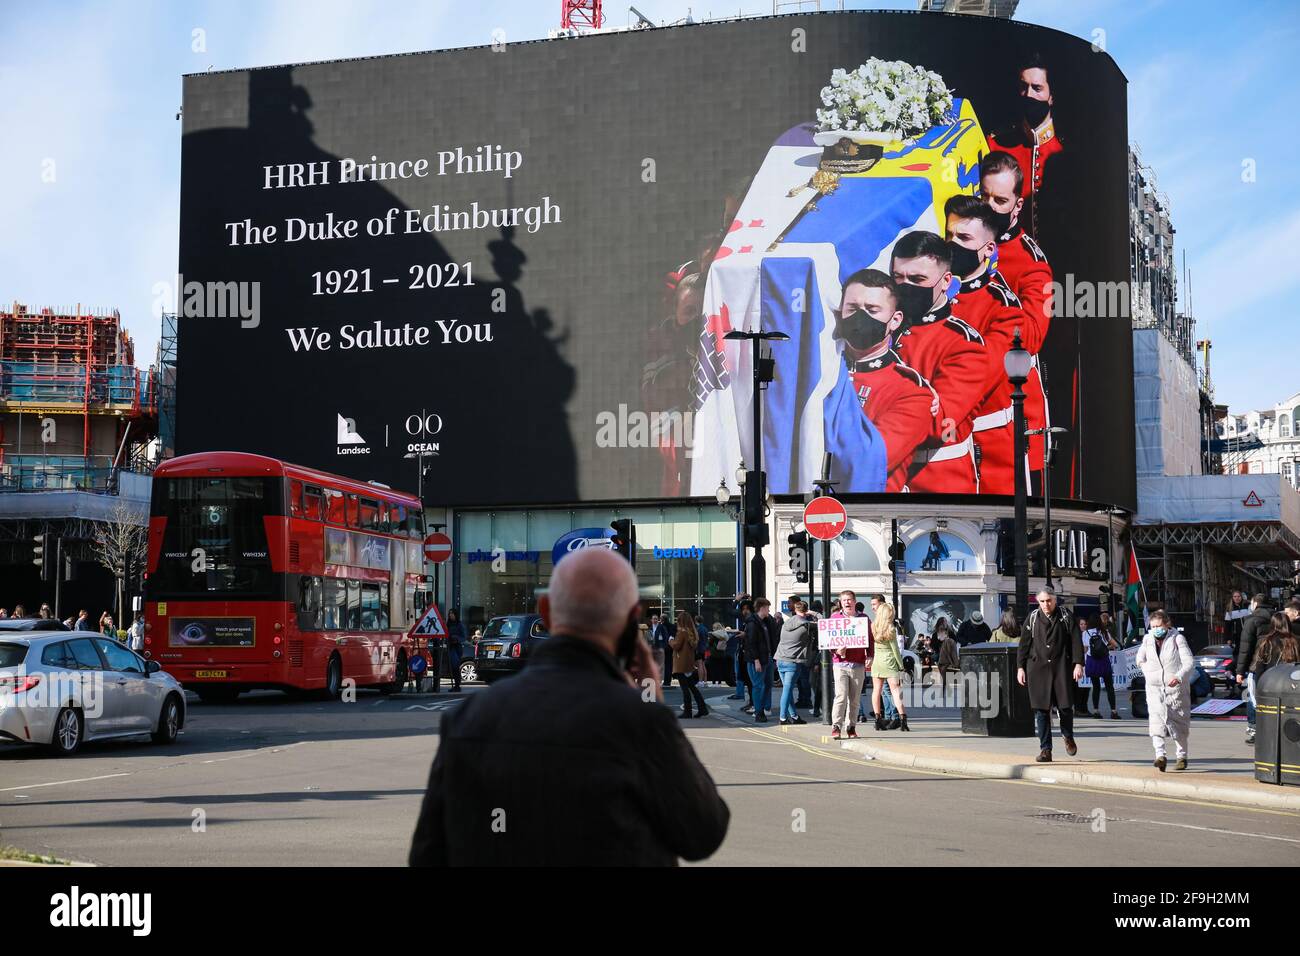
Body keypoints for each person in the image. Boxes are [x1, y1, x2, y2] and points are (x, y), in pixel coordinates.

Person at [408, 546, 729, 866]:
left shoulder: (465, 719)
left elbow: (427, 855)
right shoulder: (641, 722)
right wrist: (652, 709)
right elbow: (702, 833)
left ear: (545, 611)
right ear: (632, 618)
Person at [890, 231, 988, 495]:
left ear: (945, 281)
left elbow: (940, 426)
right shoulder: (888, 325)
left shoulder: (964, 343)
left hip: (936, 481)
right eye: (898, 278)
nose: (905, 286)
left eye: (917, 279)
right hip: (885, 479)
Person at [943, 194, 1027, 495]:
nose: (953, 244)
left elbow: (982, 375)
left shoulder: (1002, 305)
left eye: (964, 238)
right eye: (949, 235)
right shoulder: (935, 295)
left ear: (988, 249)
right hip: (943, 452)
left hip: (989, 446)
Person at [979, 149, 1053, 481]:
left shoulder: (1032, 263)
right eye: (984, 196)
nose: (989, 207)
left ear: (1017, 205)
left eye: (1000, 200)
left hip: (1012, 407)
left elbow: (1033, 336)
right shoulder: (962, 239)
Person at [836, 269, 938, 491]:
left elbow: (866, 462)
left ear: (895, 320)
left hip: (871, 505)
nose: (860, 318)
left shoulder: (912, 392)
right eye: (852, 308)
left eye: (872, 310)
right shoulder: (825, 369)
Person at [988, 52, 1065, 241]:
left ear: (1051, 96)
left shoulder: (1064, 152)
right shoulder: (995, 145)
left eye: (1037, 88)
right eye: (1024, 87)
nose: (1029, 95)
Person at [1017, 587, 1083, 762]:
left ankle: (1068, 736)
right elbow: (1024, 645)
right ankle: (1045, 749)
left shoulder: (1066, 616)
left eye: (1049, 601)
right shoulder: (1032, 618)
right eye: (1042, 601)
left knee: (1065, 707)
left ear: (1055, 600)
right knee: (1041, 710)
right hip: (1038, 669)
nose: (1046, 604)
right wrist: (1020, 667)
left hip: (1062, 667)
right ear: (1037, 602)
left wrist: (1078, 664)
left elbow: (1076, 640)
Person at [1134, 610, 1195, 772]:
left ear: (1167, 624)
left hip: (1175, 690)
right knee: (1156, 722)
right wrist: (1146, 670)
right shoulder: (1147, 639)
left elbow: (1189, 663)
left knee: (1179, 723)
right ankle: (1160, 755)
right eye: (1153, 626)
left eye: (1158, 626)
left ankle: (1182, 756)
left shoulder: (1177, 639)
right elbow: (1139, 658)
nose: (1156, 629)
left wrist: (1179, 677)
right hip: (1154, 688)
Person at [1243, 611, 1300, 747]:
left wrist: (1259, 686)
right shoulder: (1295, 641)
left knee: (1270, 713)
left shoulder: (1266, 641)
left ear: (1273, 624)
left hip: (1270, 683)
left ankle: (1268, 739)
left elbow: (1260, 666)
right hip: (1290, 684)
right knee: (1289, 713)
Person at [1233, 593, 1274, 745]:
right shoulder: (1277, 618)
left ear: (1255, 604)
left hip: (1256, 665)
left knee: (1253, 698)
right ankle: (1271, 730)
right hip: (1275, 666)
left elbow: (1245, 648)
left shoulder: (1251, 620)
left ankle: (1254, 730)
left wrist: (1239, 671)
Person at [829, 590, 868, 740]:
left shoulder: (863, 618)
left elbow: (870, 639)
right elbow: (828, 639)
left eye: (849, 599)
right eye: (844, 600)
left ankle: (851, 727)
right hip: (840, 664)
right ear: (840, 602)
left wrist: (870, 655)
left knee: (855, 699)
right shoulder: (835, 618)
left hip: (858, 663)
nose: (847, 602)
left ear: (854, 601)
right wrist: (835, 650)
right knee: (841, 696)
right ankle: (836, 726)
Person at [869, 595, 909, 732]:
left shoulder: (873, 626)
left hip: (877, 661)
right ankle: (903, 719)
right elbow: (895, 650)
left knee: (876, 691)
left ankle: (877, 719)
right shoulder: (891, 628)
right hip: (890, 661)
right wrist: (901, 666)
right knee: (896, 691)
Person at [775, 600, 815, 726]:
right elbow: (824, 623)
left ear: (795, 610)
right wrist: (814, 613)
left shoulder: (786, 623)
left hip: (780, 659)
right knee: (787, 690)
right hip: (792, 661)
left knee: (787, 690)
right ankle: (782, 717)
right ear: (806, 611)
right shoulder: (806, 625)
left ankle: (794, 716)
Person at [742, 599, 778, 722]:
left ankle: (765, 708)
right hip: (758, 660)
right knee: (758, 686)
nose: (769, 610)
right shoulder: (753, 623)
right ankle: (759, 711)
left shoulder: (765, 622)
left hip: (767, 658)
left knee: (767, 684)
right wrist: (756, 660)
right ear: (762, 608)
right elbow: (751, 644)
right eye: (767, 608)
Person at [670, 610, 709, 719]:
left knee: (685, 689)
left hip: (681, 663)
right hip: (689, 663)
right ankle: (702, 708)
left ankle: (688, 711)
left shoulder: (682, 632)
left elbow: (676, 646)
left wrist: (671, 640)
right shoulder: (693, 633)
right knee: (692, 687)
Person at [1082, 611, 1120, 719]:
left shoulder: (1085, 633)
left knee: (1096, 687)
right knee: (1109, 686)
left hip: (1092, 661)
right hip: (1103, 661)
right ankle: (1113, 711)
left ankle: (1096, 711)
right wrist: (1105, 648)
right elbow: (1115, 645)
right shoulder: (1104, 632)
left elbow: (1085, 650)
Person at [651, 613, 676, 689]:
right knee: (668, 664)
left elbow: (658, 636)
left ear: (662, 619)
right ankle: (667, 681)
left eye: (659, 618)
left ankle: (660, 680)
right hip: (670, 647)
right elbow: (674, 636)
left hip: (663, 647)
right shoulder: (673, 626)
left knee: (661, 664)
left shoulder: (661, 626)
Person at [445, 609, 466, 692]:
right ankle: (456, 685)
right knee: (453, 667)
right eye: (449, 613)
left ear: (455, 615)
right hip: (450, 646)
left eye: (452, 613)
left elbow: (463, 637)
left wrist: (456, 638)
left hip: (457, 647)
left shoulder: (459, 624)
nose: (451, 615)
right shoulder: (448, 624)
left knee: (455, 666)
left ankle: (457, 685)